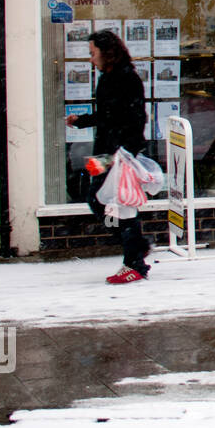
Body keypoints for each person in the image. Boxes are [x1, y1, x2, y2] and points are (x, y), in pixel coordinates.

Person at [65, 29, 151, 284]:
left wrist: (126, 150)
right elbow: (107, 115)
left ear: (106, 52)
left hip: (119, 152)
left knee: (117, 203)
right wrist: (81, 122)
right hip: (105, 151)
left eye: (93, 53)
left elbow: (136, 118)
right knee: (97, 199)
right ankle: (136, 248)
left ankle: (134, 261)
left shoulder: (126, 78)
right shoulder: (108, 77)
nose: (91, 59)